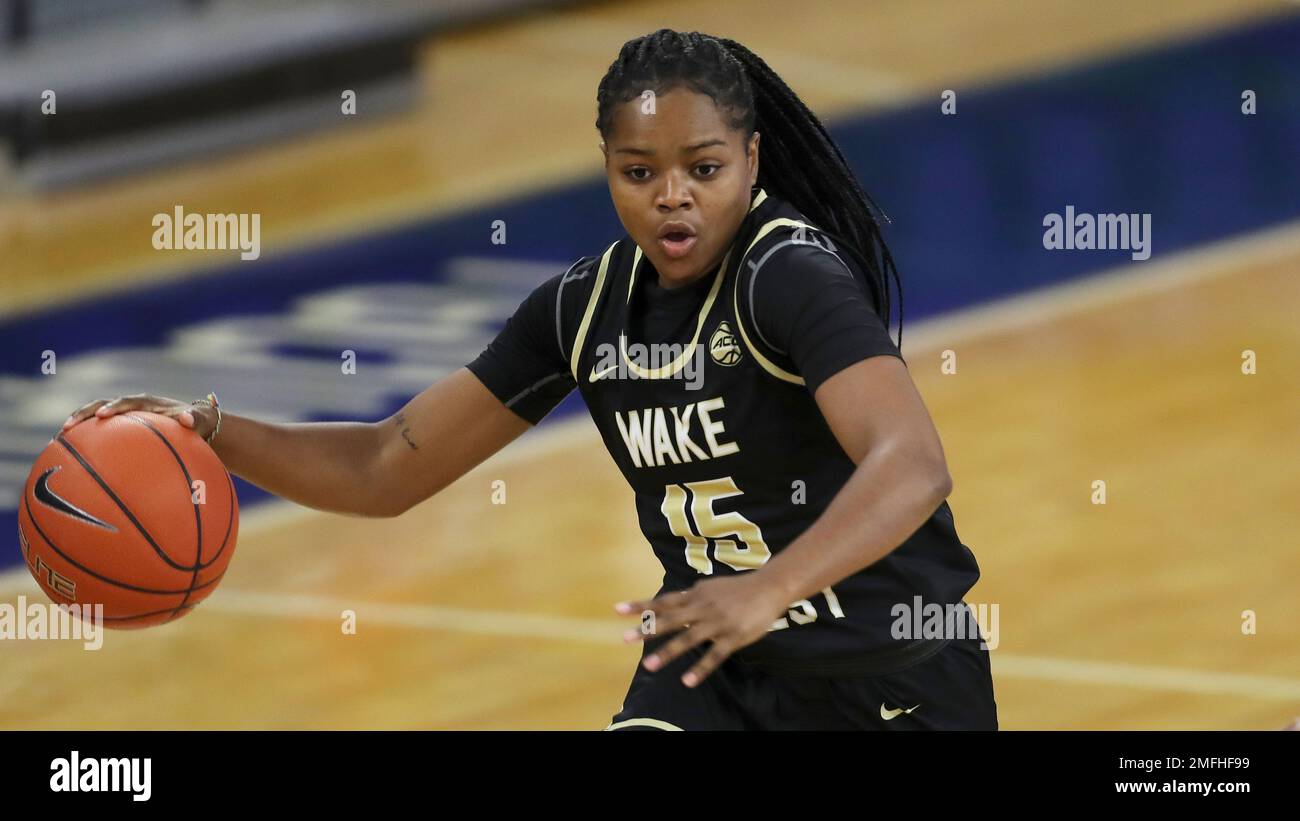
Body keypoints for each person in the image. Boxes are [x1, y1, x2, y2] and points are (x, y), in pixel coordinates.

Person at [64, 29, 997, 730]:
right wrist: (215, 429)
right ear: (608, 171)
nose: (672, 194)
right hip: (715, 669)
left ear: (750, 162)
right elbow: (388, 463)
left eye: (704, 168)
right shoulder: (582, 308)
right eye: (640, 172)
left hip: (889, 672)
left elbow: (912, 465)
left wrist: (765, 591)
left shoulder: (786, 274)